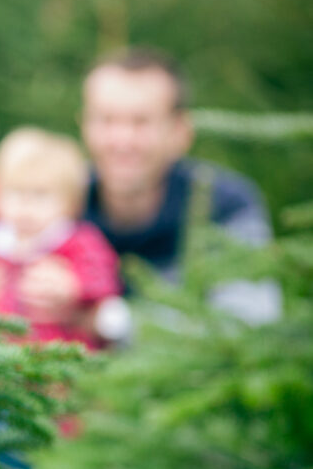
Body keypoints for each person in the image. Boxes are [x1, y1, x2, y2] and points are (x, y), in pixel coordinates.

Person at [21, 47, 279, 337]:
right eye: (106, 120)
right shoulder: (55, 200)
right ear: (84, 125)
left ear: (181, 132)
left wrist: (106, 321)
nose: (122, 140)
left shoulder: (224, 204)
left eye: (141, 122)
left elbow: (249, 326)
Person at [0, 127, 122, 349]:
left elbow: (105, 281)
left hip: (59, 357)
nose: (24, 206)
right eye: (14, 192)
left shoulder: (76, 241)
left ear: (71, 202)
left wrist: (75, 287)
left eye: (40, 195)